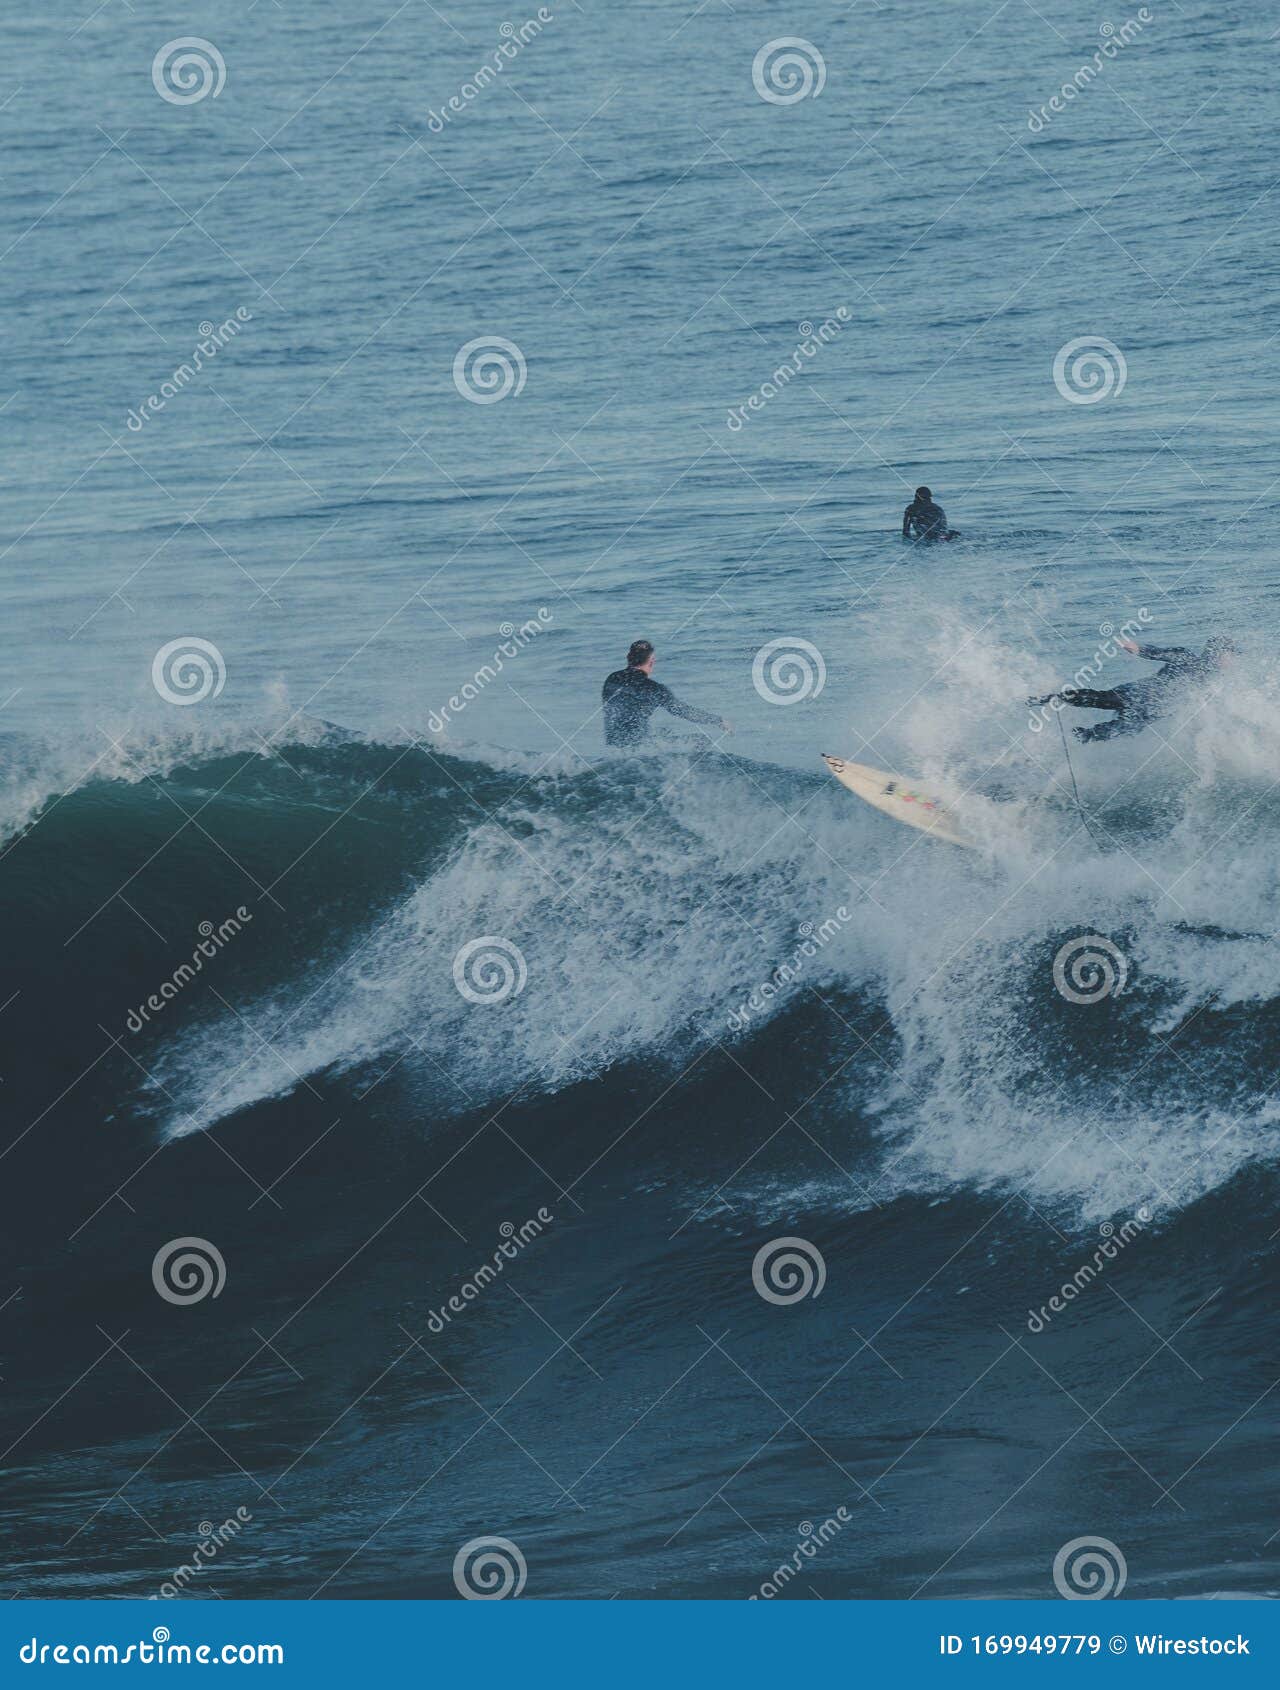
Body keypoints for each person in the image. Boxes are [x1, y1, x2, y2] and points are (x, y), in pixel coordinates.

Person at [1029, 636, 1238, 743]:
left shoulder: (1212, 681)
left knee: (1125, 728)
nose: (1232, 659)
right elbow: (1158, 653)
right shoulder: (1188, 658)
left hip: (1151, 710)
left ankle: (1083, 735)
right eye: (1230, 654)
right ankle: (1052, 698)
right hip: (1138, 694)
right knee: (1100, 700)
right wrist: (1138, 649)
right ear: (1218, 653)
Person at [602, 640, 730, 747]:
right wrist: (718, 720)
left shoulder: (611, 679)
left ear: (628, 657)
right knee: (702, 740)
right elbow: (683, 711)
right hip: (640, 745)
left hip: (614, 743)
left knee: (662, 732)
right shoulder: (655, 689)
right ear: (652, 661)